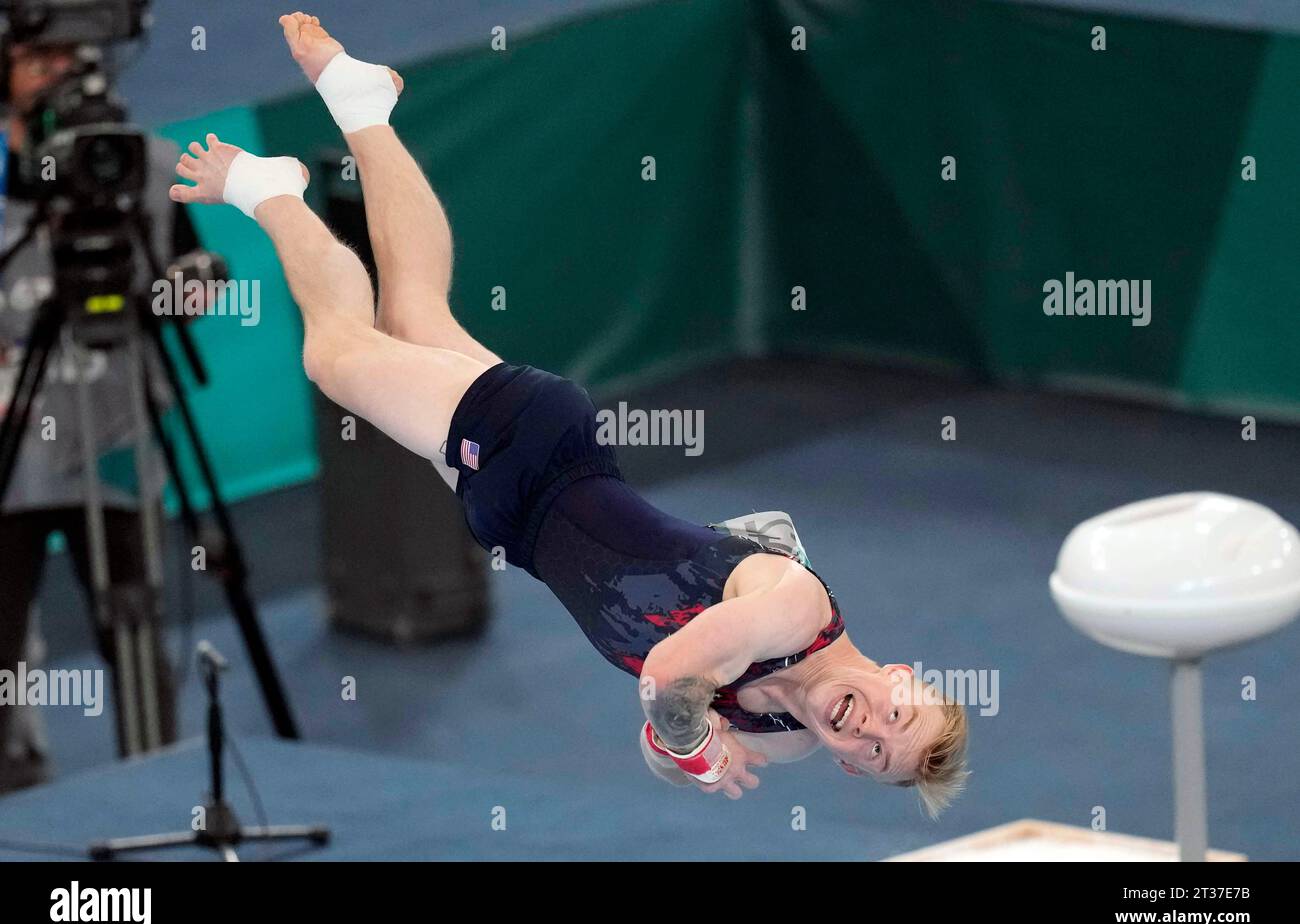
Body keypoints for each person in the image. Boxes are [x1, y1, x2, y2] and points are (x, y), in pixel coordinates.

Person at [169, 12, 969, 814]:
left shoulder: (789, 733)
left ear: (850, 771)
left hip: (517, 507)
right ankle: (269, 191)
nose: (866, 728)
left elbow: (658, 740)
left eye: (873, 755)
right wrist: (692, 748)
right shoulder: (797, 610)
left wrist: (681, 750)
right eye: (892, 715)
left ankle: (361, 102)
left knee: (414, 312)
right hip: (534, 448)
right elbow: (665, 682)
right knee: (335, 357)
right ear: (902, 676)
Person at [0, 40, 196, 791]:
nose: (60, 74)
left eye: (73, 55)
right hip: (9, 458)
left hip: (114, 442)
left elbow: (183, 277)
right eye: (36, 57)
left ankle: (162, 792)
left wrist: (188, 288)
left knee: (138, 633)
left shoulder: (144, 164)